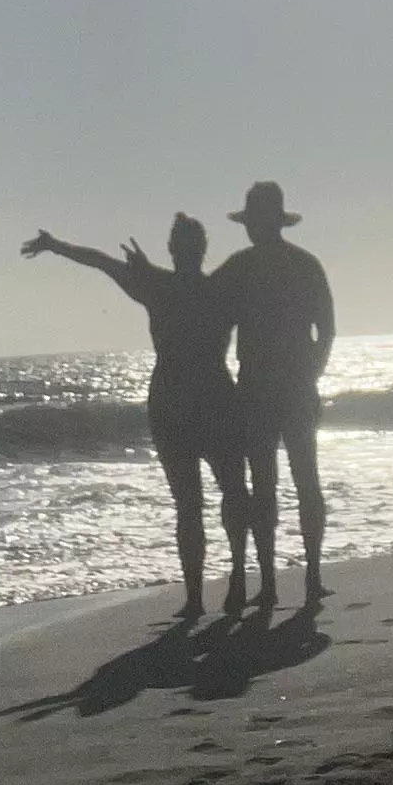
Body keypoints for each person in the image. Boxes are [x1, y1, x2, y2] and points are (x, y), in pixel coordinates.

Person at [21, 214, 250, 621]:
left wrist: (55, 245)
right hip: (215, 397)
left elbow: (101, 262)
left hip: (173, 400)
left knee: (189, 504)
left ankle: (196, 597)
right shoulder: (218, 291)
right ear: (202, 250)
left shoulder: (157, 286)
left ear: (172, 249)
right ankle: (236, 578)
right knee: (231, 491)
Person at [211, 180, 335, 611]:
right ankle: (309, 576)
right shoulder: (304, 264)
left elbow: (211, 318)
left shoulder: (239, 268)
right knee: (302, 479)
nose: (249, 228)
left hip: (259, 386)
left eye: (251, 221)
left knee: (268, 483)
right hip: (292, 384)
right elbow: (327, 330)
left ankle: (274, 581)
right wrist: (313, 369)